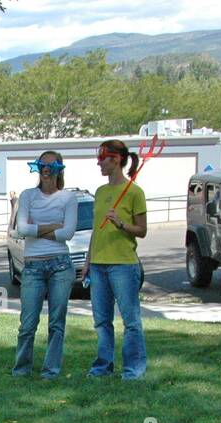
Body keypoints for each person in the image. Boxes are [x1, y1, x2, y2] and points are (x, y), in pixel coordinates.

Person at [85, 139, 148, 379]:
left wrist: (121, 224)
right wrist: (88, 262)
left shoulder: (134, 192)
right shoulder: (101, 192)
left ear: (117, 159)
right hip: (99, 265)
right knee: (102, 321)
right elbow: (95, 230)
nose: (99, 163)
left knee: (130, 321)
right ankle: (103, 366)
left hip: (123, 265)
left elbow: (142, 230)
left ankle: (133, 369)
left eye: (103, 158)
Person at [12, 150, 77, 379]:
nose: (46, 169)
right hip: (33, 267)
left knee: (56, 323)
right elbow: (22, 229)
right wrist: (52, 226)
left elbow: (67, 233)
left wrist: (37, 228)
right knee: (27, 323)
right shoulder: (28, 195)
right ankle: (21, 369)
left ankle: (51, 370)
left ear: (60, 169)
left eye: (51, 165)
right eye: (43, 164)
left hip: (60, 265)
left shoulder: (69, 198)